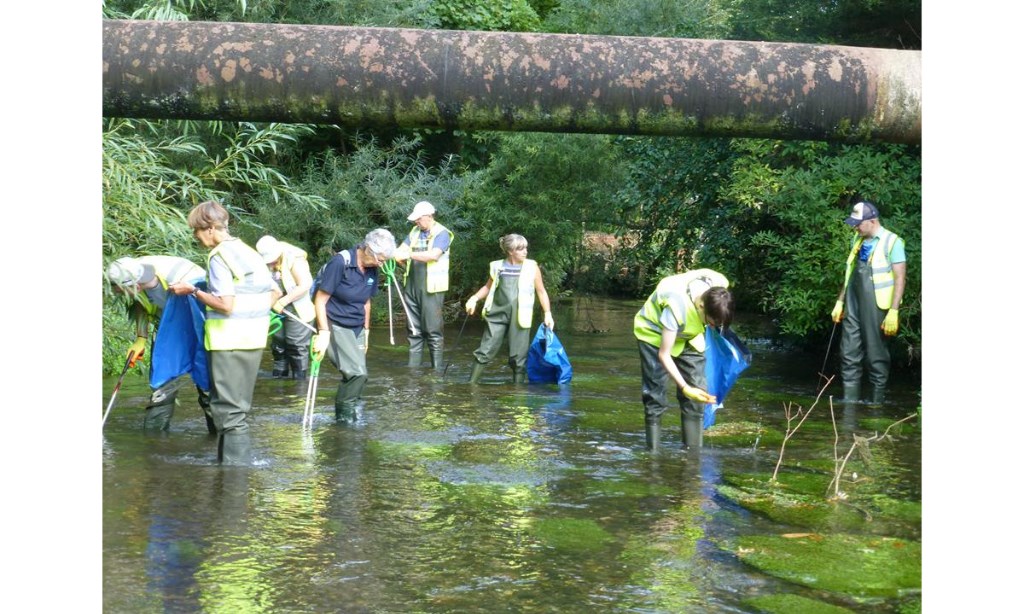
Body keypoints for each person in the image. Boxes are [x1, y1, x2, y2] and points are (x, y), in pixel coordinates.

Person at [168, 201, 276, 465]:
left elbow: (225, 304)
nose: (195, 236)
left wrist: (192, 291)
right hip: (254, 338)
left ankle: (233, 477)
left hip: (228, 340)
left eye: (196, 230)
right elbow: (276, 292)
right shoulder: (249, 252)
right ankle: (229, 472)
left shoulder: (219, 256)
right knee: (237, 409)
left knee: (228, 414)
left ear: (209, 229)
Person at [107, 255, 216, 434]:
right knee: (162, 383)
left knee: (207, 385)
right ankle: (154, 441)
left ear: (134, 284)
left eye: (119, 290)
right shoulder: (132, 271)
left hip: (200, 327)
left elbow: (204, 309)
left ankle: (220, 440)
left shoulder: (183, 277)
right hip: (169, 327)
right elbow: (140, 304)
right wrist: (140, 338)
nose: (117, 293)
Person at [633, 268, 735, 452]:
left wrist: (692, 389)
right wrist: (685, 387)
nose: (711, 327)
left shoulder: (720, 286)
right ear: (701, 306)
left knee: (698, 395)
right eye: (710, 323)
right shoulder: (676, 307)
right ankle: (653, 455)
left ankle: (693, 455)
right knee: (655, 396)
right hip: (654, 335)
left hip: (689, 335)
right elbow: (664, 354)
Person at [311, 229, 397, 422]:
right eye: (381, 259)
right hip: (336, 323)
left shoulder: (373, 268)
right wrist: (323, 332)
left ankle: (354, 417)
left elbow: (366, 301)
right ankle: (344, 422)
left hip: (357, 325)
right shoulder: (341, 263)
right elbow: (320, 300)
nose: (382, 265)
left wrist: (366, 331)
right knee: (357, 373)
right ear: (368, 250)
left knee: (360, 376)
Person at [830, 200, 907, 405]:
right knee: (848, 352)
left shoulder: (893, 242)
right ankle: (850, 404)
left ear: (872, 221)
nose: (855, 227)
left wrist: (894, 310)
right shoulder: (858, 240)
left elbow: (900, 278)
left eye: (858, 223)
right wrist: (840, 302)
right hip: (853, 303)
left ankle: (875, 406)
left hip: (878, 305)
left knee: (875, 354)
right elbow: (849, 274)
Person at [464, 234, 555, 384]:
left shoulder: (532, 267)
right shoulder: (497, 266)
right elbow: (488, 287)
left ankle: (517, 393)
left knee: (518, 357)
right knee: (485, 350)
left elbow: (541, 291)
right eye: (520, 249)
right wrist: (474, 299)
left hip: (520, 317)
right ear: (510, 251)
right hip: (496, 314)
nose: (525, 251)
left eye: (525, 248)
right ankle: (470, 385)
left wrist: (547, 313)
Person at [393, 200, 454, 370]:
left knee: (433, 331)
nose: (416, 222)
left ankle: (437, 371)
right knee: (413, 329)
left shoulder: (442, 234)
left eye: (418, 219)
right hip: (411, 286)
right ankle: (413, 371)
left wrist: (409, 254)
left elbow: (433, 256)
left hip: (432, 288)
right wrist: (395, 255)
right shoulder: (414, 231)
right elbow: (399, 252)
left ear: (429, 216)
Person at [256, 235, 316, 379]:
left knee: (295, 345)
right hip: (274, 305)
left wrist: (283, 302)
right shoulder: (262, 260)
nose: (271, 264)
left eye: (273, 260)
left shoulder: (295, 258)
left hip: (297, 306)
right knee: (278, 344)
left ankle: (299, 383)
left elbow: (305, 285)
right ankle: (279, 378)